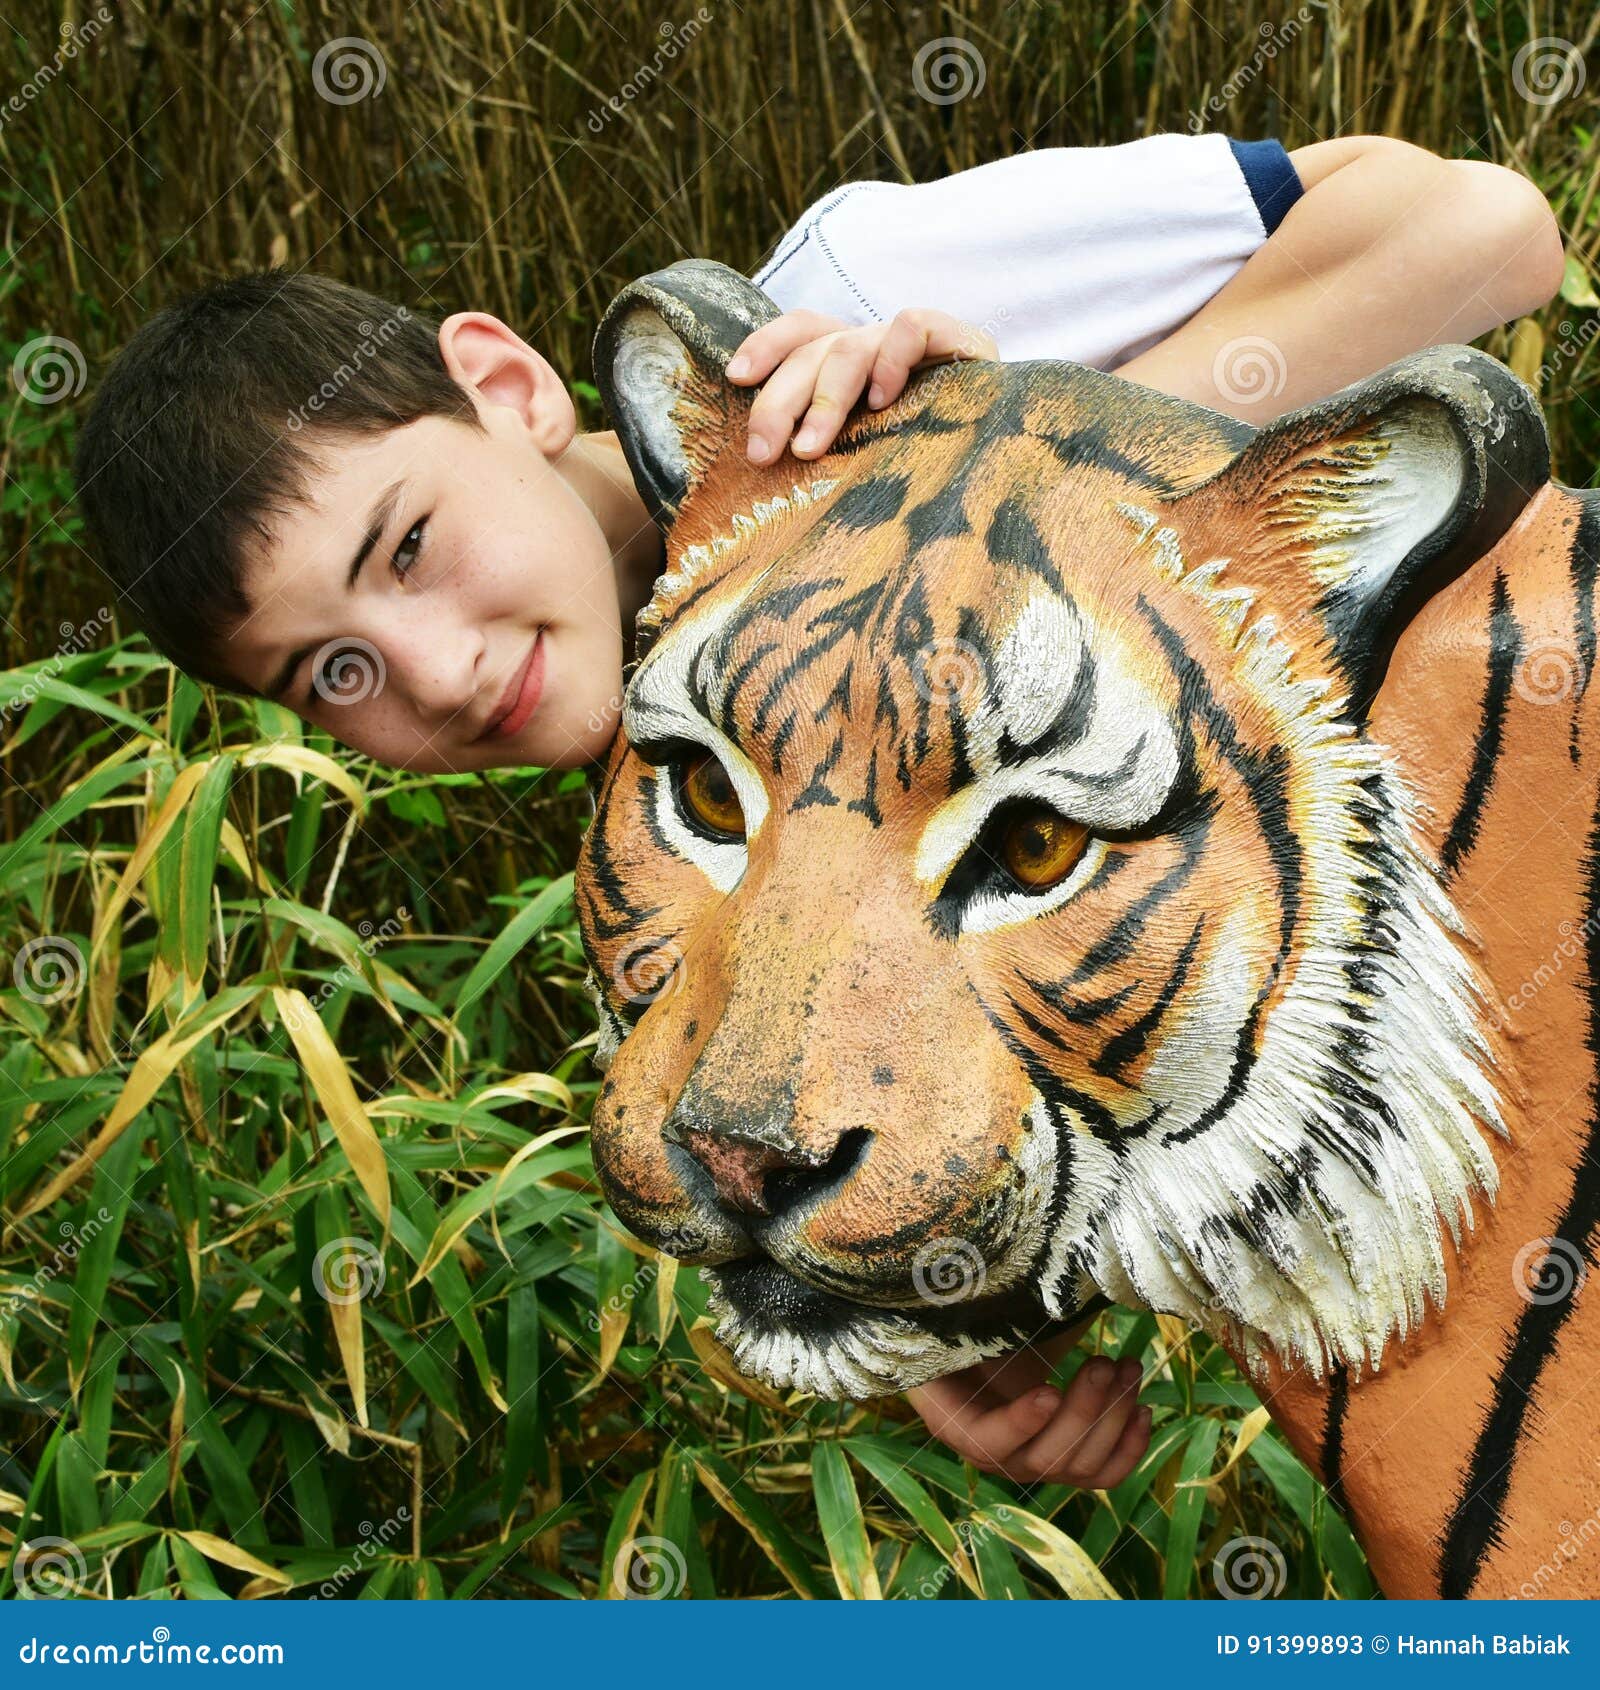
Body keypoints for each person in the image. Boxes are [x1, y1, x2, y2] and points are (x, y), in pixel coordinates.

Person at [71, 131, 1564, 1490]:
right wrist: (951, 1320)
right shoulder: (654, 749)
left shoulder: (856, 294)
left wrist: (1021, 473)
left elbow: (1490, 229)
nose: (442, 671)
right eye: (334, 672)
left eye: (410, 543)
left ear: (513, 388)